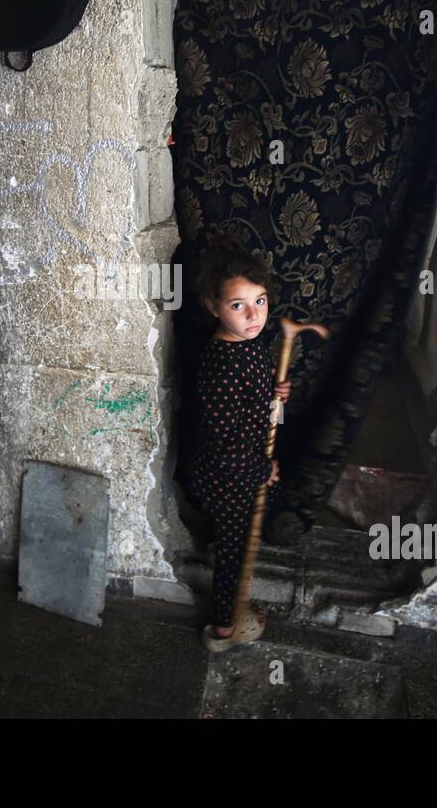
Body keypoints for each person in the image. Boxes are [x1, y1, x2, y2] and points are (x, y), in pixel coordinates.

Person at [187, 236, 290, 651]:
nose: (253, 315)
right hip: (228, 477)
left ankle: (228, 606)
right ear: (213, 307)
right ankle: (225, 626)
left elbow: (253, 404)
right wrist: (263, 470)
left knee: (238, 542)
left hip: (244, 467)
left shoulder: (249, 344)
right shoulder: (221, 367)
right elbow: (226, 448)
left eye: (260, 301)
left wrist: (274, 398)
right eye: (237, 305)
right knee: (234, 554)